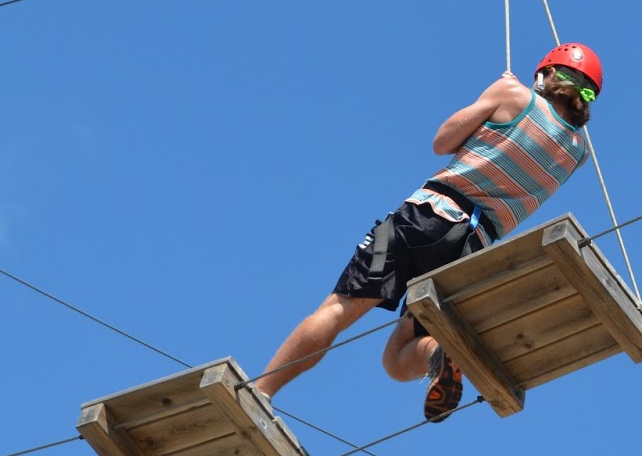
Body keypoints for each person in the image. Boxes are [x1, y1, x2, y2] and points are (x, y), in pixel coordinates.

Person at [255, 43, 602, 421]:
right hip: (471, 249)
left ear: (546, 75)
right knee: (396, 357)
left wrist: (494, 94)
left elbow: (442, 142)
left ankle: (262, 391)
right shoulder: (577, 153)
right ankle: (438, 352)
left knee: (337, 310)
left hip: (424, 217)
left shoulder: (514, 95)